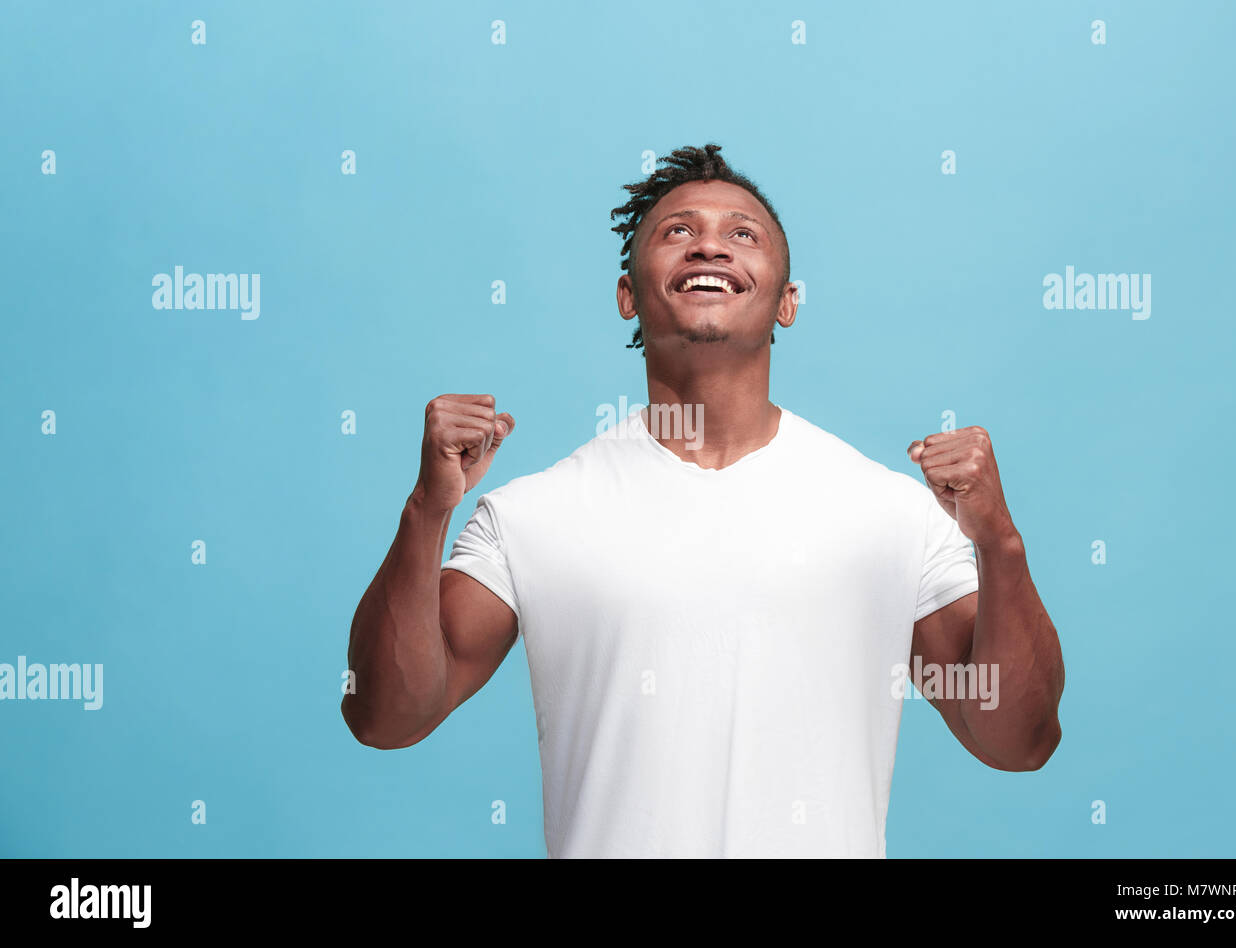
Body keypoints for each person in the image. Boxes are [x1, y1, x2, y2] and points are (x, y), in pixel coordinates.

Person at [342, 143, 1065, 858]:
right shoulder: (533, 515)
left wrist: (999, 543)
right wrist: (426, 512)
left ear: (787, 303)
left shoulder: (890, 514)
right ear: (629, 294)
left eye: (741, 234)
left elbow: (1017, 741)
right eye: (678, 231)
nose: (709, 247)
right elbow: (386, 717)